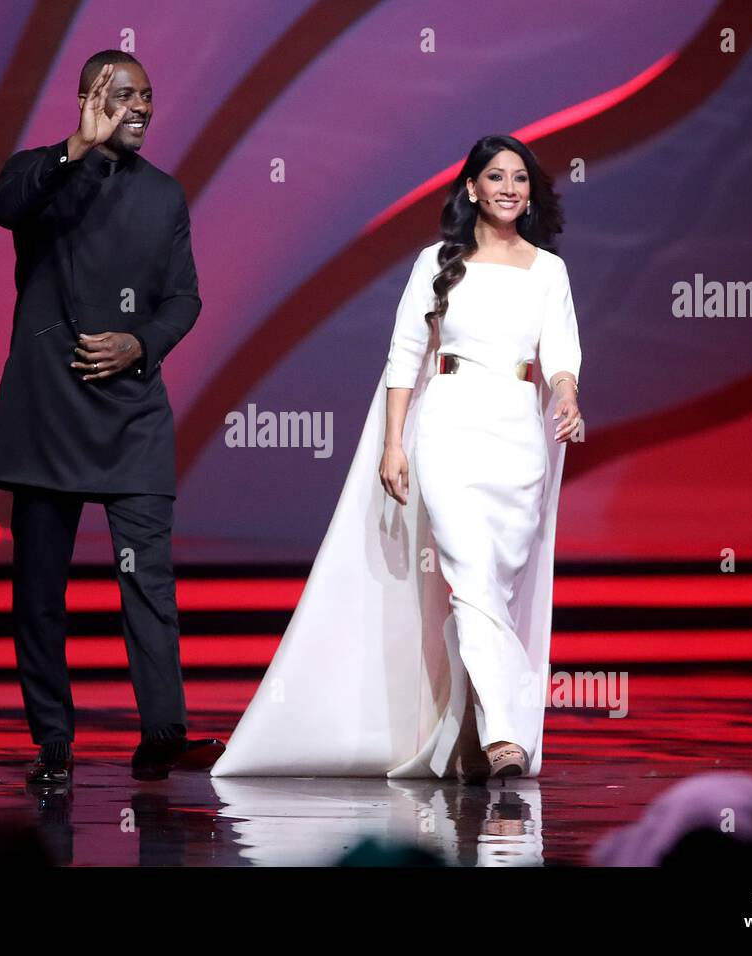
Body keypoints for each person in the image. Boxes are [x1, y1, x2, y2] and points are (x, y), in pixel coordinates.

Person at [210, 134, 582, 783]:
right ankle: (502, 735)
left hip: (518, 436)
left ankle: (465, 736)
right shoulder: (437, 262)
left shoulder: (548, 270)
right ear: (471, 188)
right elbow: (404, 356)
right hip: (448, 425)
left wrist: (568, 395)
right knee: (468, 576)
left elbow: (562, 351)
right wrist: (391, 443)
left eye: (519, 179)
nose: (507, 188)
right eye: (494, 176)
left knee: (495, 588)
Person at [0, 50, 224, 786]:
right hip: (48, 413)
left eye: (149, 95)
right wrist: (74, 149)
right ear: (91, 98)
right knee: (40, 589)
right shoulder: (44, 173)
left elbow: (183, 297)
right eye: (125, 96)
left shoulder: (163, 194)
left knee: (148, 579)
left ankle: (162, 734)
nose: (142, 108)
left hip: (131, 414)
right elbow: (6, 208)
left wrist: (139, 343)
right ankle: (53, 739)